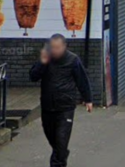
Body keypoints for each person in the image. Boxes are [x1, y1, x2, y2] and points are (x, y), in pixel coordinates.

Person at [30, 34, 93, 167]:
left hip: (65, 107)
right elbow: (33, 77)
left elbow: (82, 80)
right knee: (53, 139)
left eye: (57, 47)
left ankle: (58, 160)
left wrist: (88, 99)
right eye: (52, 47)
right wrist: (42, 62)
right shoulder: (46, 59)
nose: (55, 50)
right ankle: (62, 153)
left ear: (64, 47)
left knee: (61, 139)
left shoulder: (73, 60)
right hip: (47, 106)